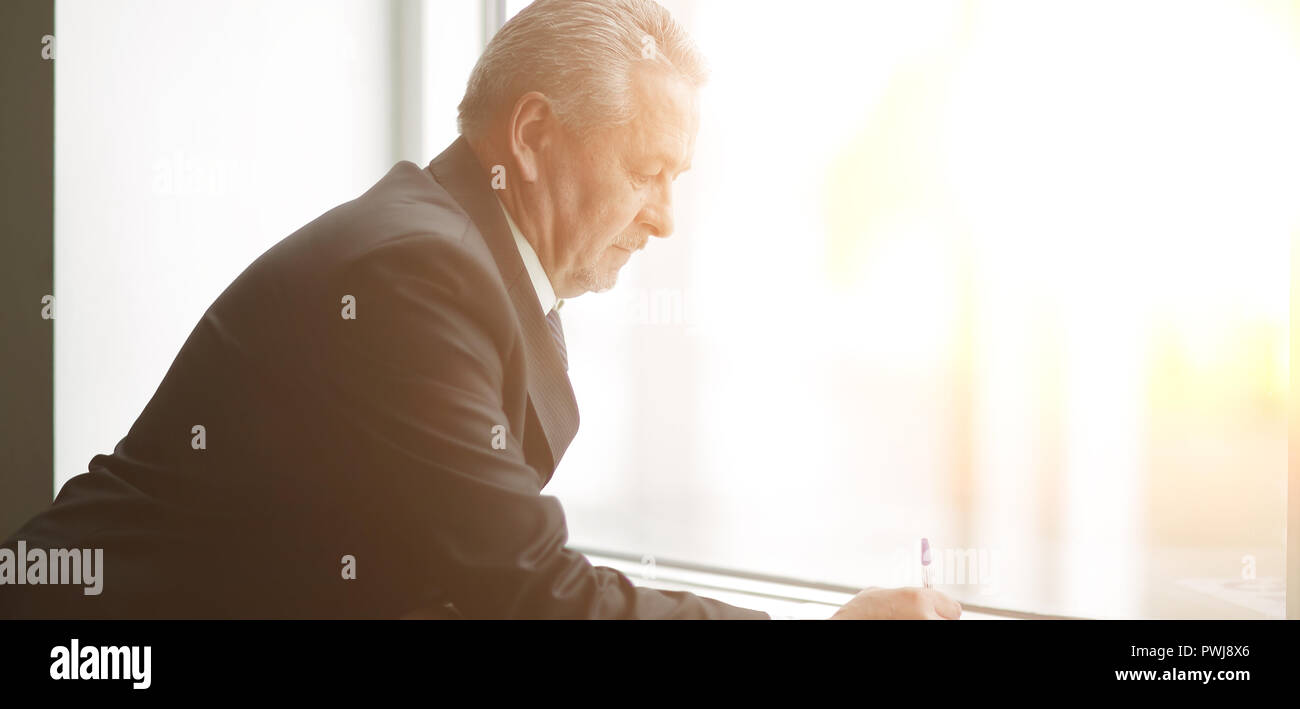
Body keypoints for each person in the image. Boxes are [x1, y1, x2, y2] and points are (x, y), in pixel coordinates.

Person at [1, 0, 960, 620]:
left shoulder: (451, 257)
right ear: (534, 135)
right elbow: (522, 589)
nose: (665, 219)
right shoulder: (416, 274)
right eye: (648, 173)